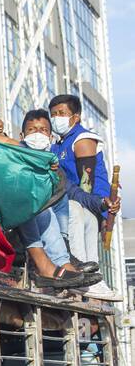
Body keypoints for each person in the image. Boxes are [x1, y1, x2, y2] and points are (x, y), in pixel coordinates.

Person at [17, 109, 109, 290]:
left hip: (42, 223)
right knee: (44, 210)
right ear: (22, 135)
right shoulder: (16, 155)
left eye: (43, 130)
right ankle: (61, 262)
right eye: (32, 130)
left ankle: (70, 259)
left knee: (72, 204)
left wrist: (101, 203)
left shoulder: (53, 165)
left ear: (51, 137)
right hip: (19, 219)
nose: (37, 134)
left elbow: (74, 192)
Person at [48, 94, 118, 272]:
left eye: (61, 113)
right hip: (70, 199)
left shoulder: (82, 139)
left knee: (78, 213)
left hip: (89, 202)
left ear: (75, 117)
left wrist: (101, 212)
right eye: (53, 114)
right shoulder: (56, 144)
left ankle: (82, 270)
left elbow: (86, 185)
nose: (56, 118)